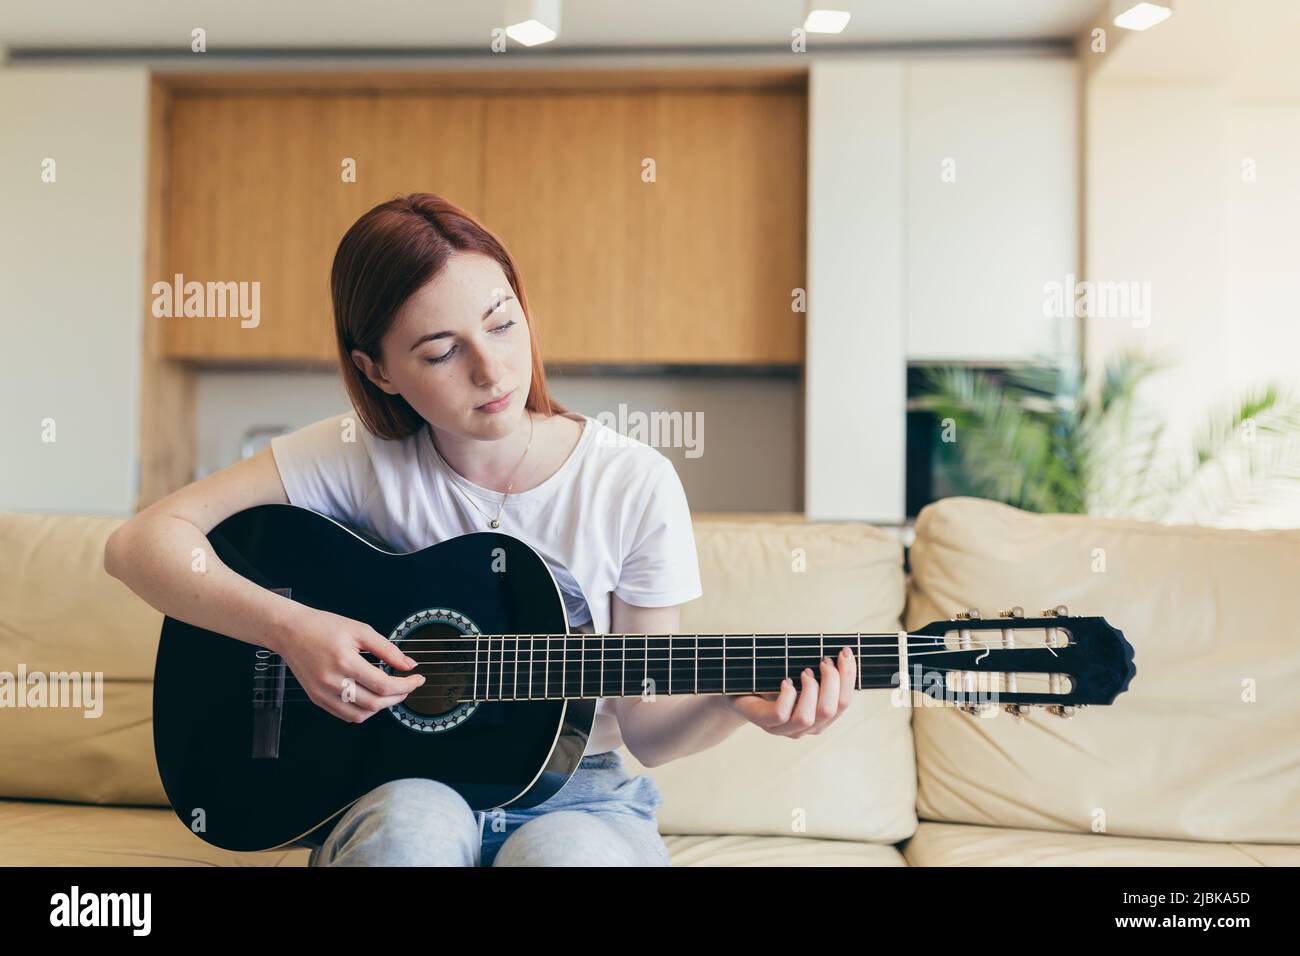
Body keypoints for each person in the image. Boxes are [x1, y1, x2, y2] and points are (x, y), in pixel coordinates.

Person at [104, 192, 857, 866]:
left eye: (501, 323)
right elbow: (139, 545)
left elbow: (648, 730)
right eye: (440, 351)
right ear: (379, 371)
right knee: (411, 836)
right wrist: (291, 629)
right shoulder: (352, 456)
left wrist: (733, 703)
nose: (492, 370)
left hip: (581, 796)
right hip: (396, 781)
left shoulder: (631, 481)